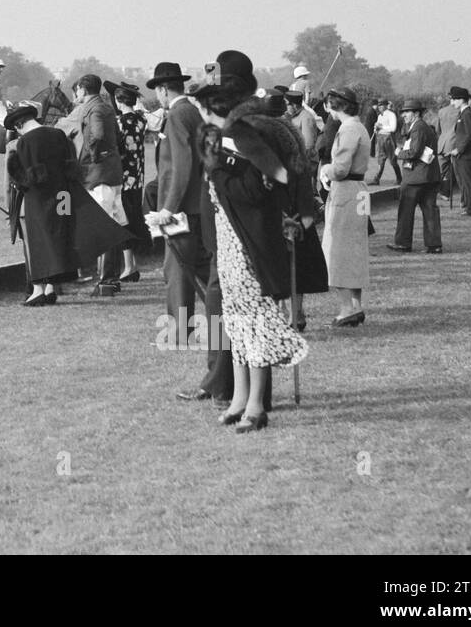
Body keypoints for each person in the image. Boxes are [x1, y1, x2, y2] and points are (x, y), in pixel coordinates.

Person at [193, 79, 309, 434]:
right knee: (236, 324)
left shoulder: (241, 141)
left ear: (214, 110)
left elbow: (256, 191)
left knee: (255, 325)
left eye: (202, 109)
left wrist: (218, 172)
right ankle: (240, 397)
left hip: (249, 246)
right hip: (229, 245)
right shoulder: (221, 143)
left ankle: (257, 404)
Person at [5, 103, 128, 306]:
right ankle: (52, 287)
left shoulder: (25, 142)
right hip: (64, 195)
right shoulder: (58, 135)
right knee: (60, 236)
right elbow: (72, 165)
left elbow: (27, 179)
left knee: (39, 241)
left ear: (18, 125)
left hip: (39, 199)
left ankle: (38, 290)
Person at [145, 62, 208, 347]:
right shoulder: (192, 111)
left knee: (178, 272)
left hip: (182, 207)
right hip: (197, 204)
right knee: (202, 270)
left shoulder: (177, 115)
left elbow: (181, 165)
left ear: (162, 90)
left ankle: (179, 332)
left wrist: (169, 207)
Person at [58, 75, 126, 296]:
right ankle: (111, 279)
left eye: (76, 91)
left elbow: (96, 135)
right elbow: (118, 137)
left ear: (82, 90)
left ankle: (107, 281)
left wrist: (92, 155)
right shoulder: (107, 107)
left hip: (98, 176)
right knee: (113, 224)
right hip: (113, 173)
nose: (75, 95)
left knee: (103, 227)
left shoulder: (90, 109)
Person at [320, 87, 370, 327]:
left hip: (347, 192)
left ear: (336, 106)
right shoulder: (360, 127)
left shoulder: (347, 129)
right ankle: (356, 305)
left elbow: (339, 169)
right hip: (360, 191)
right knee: (357, 247)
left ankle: (346, 307)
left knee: (338, 249)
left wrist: (325, 170)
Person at [105, 80, 152, 283]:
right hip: (137, 179)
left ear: (118, 100)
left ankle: (129, 266)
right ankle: (130, 266)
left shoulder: (118, 123)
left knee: (123, 222)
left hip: (122, 179)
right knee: (133, 219)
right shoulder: (141, 121)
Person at [386, 99, 442, 253]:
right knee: (430, 210)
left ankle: (403, 243)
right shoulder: (421, 127)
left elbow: (414, 152)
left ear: (416, 113)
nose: (403, 115)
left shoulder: (418, 128)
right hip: (428, 175)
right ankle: (434, 244)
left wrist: (399, 153)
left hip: (416, 177)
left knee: (406, 210)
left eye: (407, 112)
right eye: (403, 112)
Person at [447, 87, 471, 216]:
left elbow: (470, 135)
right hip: (464, 154)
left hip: (466, 155)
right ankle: (469, 207)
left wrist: (459, 149)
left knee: (469, 182)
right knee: (466, 182)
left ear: (462, 100)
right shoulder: (463, 113)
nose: (452, 103)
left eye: (454, 100)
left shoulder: (467, 114)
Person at [370, 99, 401, 185]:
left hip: (388, 138)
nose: (379, 107)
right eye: (378, 105)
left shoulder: (391, 115)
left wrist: (382, 127)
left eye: (381, 105)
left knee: (392, 160)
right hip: (380, 138)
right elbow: (378, 128)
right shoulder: (379, 116)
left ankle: (399, 178)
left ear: (385, 105)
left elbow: (393, 128)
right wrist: (376, 129)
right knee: (380, 159)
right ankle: (376, 179)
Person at [435, 94, 459, 200]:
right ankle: (447, 192)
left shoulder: (441, 111)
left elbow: (437, 129)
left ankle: (441, 191)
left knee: (442, 170)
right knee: (457, 170)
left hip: (442, 143)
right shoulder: (460, 111)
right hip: (455, 143)